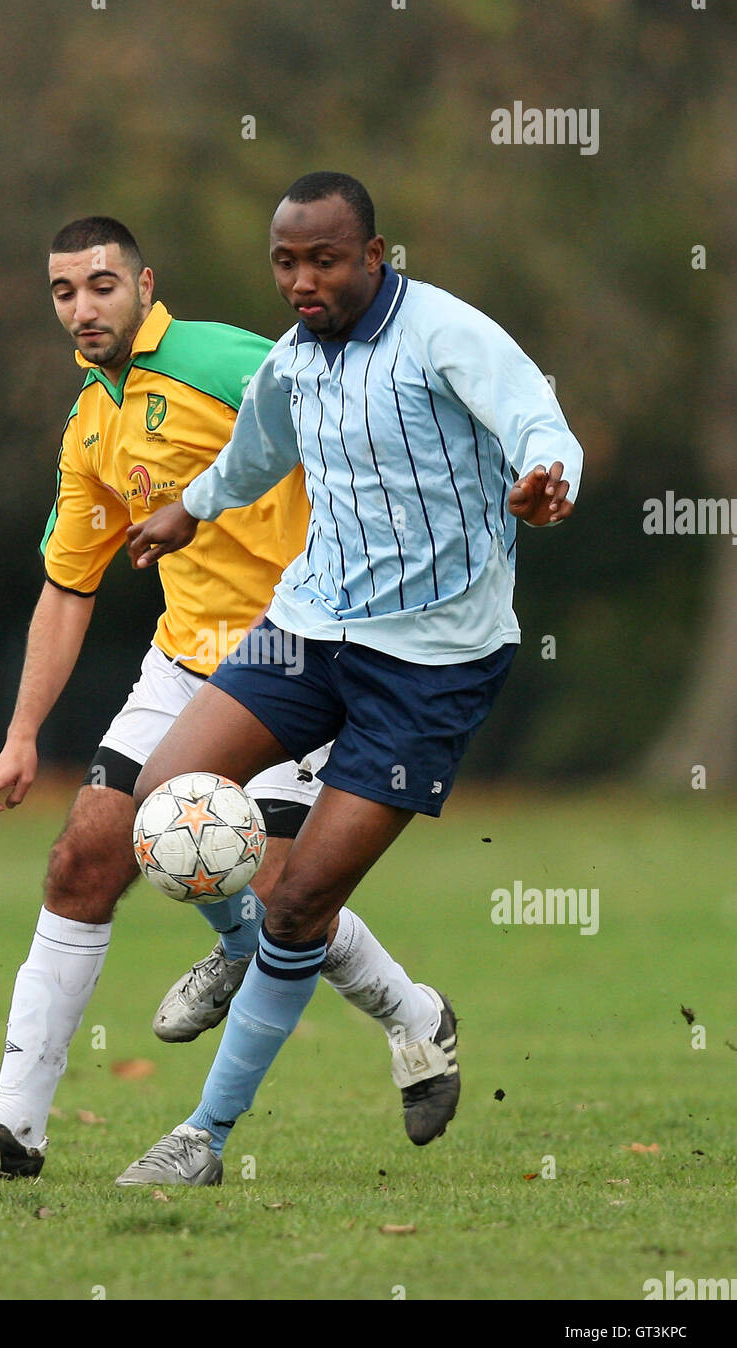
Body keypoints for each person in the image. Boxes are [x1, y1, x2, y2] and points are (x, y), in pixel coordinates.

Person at [0, 215, 442, 1178]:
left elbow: (347, 418)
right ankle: (15, 1127)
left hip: (304, 657)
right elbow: (69, 586)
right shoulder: (89, 424)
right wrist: (21, 736)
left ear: (145, 285)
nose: (81, 306)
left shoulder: (221, 360)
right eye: (63, 291)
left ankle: (410, 1012)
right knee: (82, 858)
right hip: (185, 664)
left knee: (282, 898)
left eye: (100, 285)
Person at [116, 172, 582, 1186]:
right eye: (285, 261)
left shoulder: (447, 336)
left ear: (376, 255)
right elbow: (252, 457)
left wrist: (547, 485)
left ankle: (204, 1136)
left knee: (301, 901)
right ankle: (241, 950)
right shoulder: (292, 362)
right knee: (159, 798)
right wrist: (187, 508)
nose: (301, 279)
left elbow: (541, 428)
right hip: (306, 631)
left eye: (323, 258)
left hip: (432, 666)